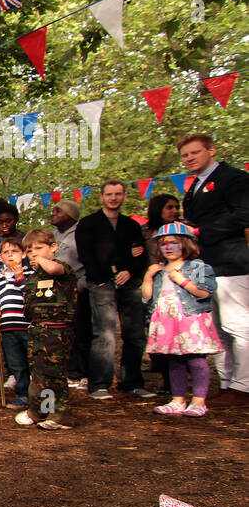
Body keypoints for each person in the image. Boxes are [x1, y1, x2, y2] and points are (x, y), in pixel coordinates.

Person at [177, 134, 249, 407]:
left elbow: (245, 215)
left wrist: (200, 231)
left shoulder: (234, 178)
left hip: (231, 262)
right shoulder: (194, 185)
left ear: (211, 150)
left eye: (195, 152)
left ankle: (245, 386)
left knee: (238, 325)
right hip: (203, 266)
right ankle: (228, 382)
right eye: (185, 155)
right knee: (215, 329)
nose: (189, 158)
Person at [75, 180, 154, 400]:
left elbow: (140, 255)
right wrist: (105, 276)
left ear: (124, 196)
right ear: (101, 197)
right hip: (101, 283)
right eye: (109, 194)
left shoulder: (131, 225)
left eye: (118, 194)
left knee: (135, 334)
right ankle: (99, 384)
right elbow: (86, 256)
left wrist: (128, 270)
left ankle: (132, 382)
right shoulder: (88, 224)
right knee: (105, 333)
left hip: (130, 282)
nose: (113, 198)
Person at [142, 222, 219, 416]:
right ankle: (177, 400)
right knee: (174, 361)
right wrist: (148, 277)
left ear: (185, 243)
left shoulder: (197, 266)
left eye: (173, 242)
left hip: (190, 320)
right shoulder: (159, 269)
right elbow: (146, 297)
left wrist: (181, 280)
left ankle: (199, 401)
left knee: (196, 360)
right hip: (167, 321)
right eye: (163, 244)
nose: (167, 247)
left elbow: (205, 293)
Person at [14, 228, 77, 430]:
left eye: (39, 248)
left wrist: (41, 260)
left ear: (53, 247)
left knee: (54, 374)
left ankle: (62, 414)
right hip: (38, 331)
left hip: (57, 332)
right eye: (30, 251)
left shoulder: (62, 269)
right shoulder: (35, 277)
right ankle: (41, 411)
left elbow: (54, 270)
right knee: (40, 374)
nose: (34, 254)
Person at [141, 193, 181, 396]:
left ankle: (179, 382)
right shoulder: (145, 232)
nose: (175, 211)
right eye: (169, 207)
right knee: (158, 334)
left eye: (176, 207)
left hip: (180, 285)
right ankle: (166, 381)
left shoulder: (184, 230)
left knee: (178, 333)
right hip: (153, 286)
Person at [50, 199, 92, 390]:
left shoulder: (81, 234)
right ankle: (71, 372)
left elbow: (87, 263)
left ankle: (85, 374)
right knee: (63, 334)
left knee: (81, 333)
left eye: (58, 211)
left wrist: (79, 286)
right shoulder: (52, 236)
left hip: (77, 291)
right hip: (56, 294)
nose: (53, 213)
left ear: (71, 214)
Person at [0, 238, 30, 407]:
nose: (10, 255)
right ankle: (24, 394)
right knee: (16, 363)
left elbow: (29, 292)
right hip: (8, 326)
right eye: (6, 252)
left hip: (27, 326)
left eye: (15, 251)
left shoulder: (30, 273)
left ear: (24, 254)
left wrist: (19, 276)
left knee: (33, 361)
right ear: (1, 257)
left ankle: (40, 394)